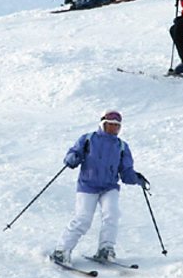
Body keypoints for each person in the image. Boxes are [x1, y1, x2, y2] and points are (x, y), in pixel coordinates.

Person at [51, 110, 148, 265]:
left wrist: (136, 178)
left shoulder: (121, 146)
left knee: (112, 215)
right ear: (103, 124)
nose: (113, 129)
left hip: (109, 187)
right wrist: (72, 159)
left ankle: (106, 249)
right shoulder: (88, 139)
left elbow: (126, 171)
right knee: (83, 219)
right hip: (87, 186)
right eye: (110, 125)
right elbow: (73, 154)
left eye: (117, 126)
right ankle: (61, 250)